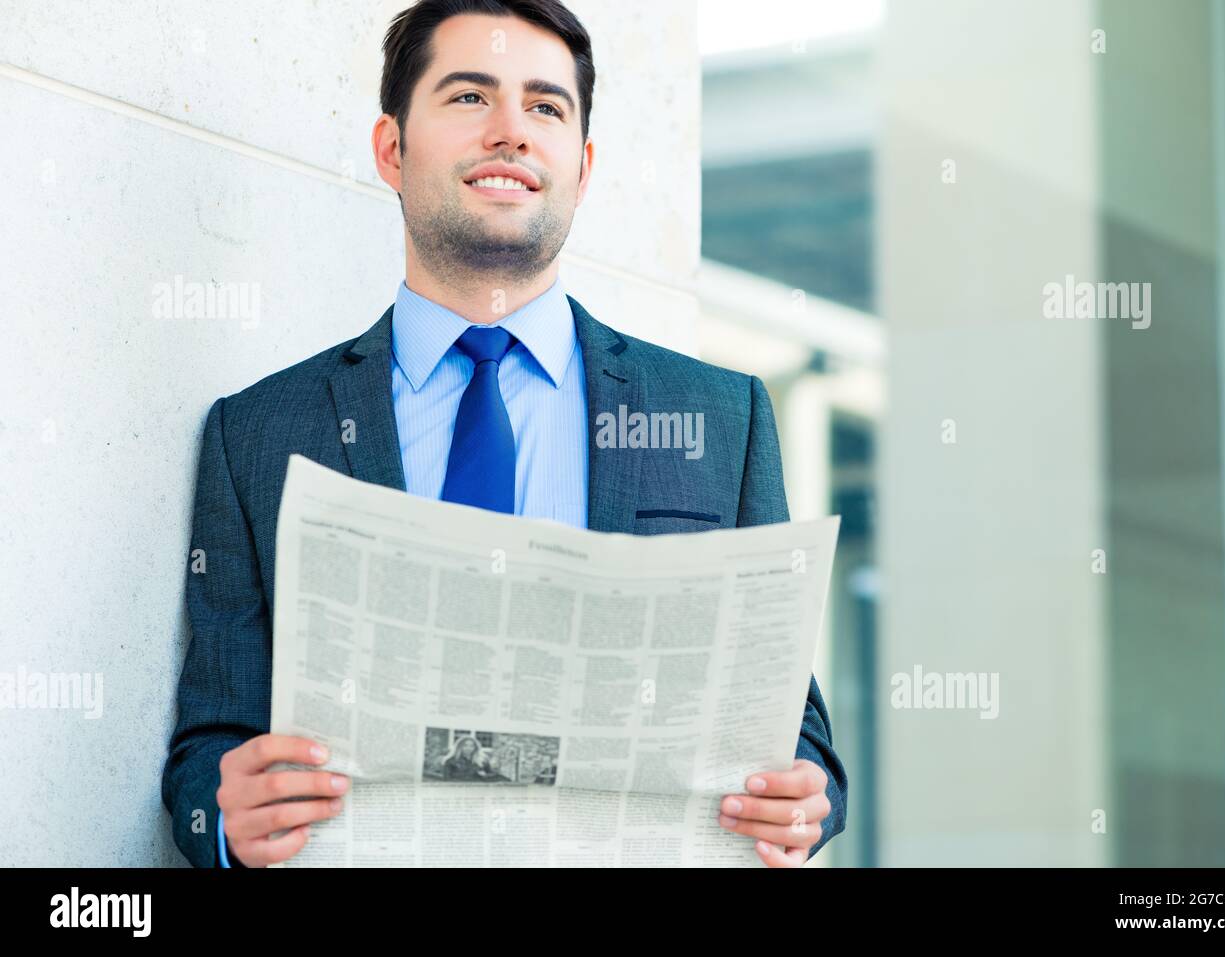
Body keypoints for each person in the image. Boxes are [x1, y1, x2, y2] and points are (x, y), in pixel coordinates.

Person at [162, 0, 847, 870]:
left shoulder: (721, 419)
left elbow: (798, 730)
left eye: (547, 107)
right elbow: (207, 744)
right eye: (469, 97)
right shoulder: (258, 432)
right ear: (391, 149)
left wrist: (805, 800)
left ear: (583, 166)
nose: (512, 133)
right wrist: (225, 818)